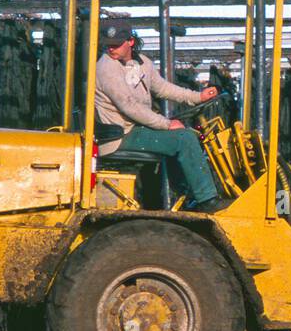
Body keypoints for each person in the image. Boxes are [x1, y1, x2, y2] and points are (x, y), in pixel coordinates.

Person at [93, 16, 222, 212]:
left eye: (117, 45)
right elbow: (130, 107)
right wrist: (166, 124)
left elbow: (162, 88)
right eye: (108, 45)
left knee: (181, 136)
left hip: (135, 129)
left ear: (130, 42)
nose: (111, 49)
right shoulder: (106, 68)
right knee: (184, 138)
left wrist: (198, 97)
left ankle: (188, 195)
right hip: (121, 136)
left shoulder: (142, 63)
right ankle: (208, 201)